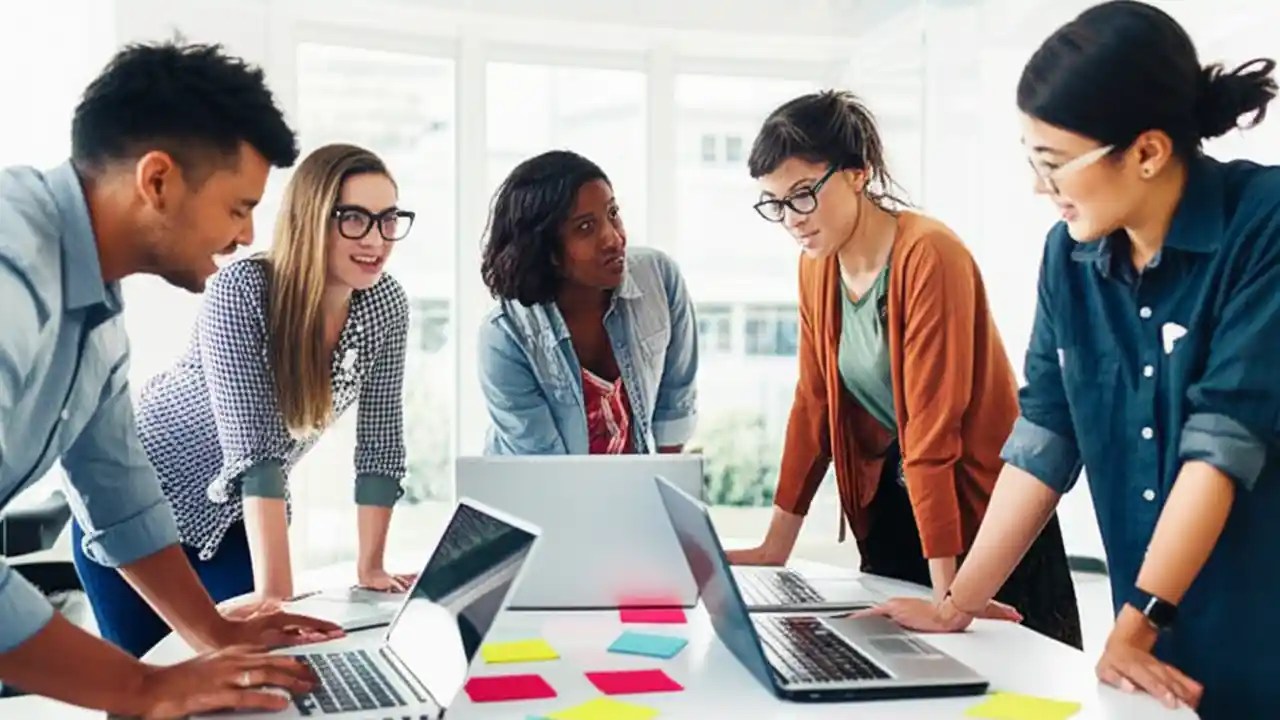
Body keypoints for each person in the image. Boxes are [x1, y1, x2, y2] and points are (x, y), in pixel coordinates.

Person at [856, 2, 1279, 717]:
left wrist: (1139, 620)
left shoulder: (1263, 224)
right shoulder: (1071, 255)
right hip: (1144, 642)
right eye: (1030, 160)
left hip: (1251, 622)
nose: (1037, 186)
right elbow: (1045, 437)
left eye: (1052, 164)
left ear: (1147, 152)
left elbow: (1223, 443)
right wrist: (957, 603)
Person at [0, 41, 344, 718]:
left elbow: (120, 496)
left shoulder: (95, 304)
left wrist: (217, 637)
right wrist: (144, 687)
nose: (247, 236)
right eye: (238, 206)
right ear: (157, 180)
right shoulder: (13, 266)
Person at [726, 90, 1082, 648]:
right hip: (900, 502)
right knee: (890, 675)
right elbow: (813, 404)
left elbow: (932, 428)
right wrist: (776, 547)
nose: (790, 220)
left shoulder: (928, 255)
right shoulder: (817, 265)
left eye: (802, 196)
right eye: (774, 203)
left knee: (1002, 683)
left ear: (856, 176)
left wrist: (950, 599)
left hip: (979, 511)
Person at [71, 143, 419, 658]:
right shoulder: (243, 288)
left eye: (389, 219)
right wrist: (276, 593)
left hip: (228, 515)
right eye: (354, 219)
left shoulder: (385, 304)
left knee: (250, 665)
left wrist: (372, 568)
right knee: (153, 686)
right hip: (137, 504)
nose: (376, 239)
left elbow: (381, 444)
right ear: (312, 220)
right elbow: (256, 456)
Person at [477, 150, 698, 455]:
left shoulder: (660, 278)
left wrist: (658, 494)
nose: (613, 238)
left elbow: (674, 407)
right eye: (585, 227)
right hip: (533, 496)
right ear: (546, 250)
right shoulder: (505, 336)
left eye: (612, 213)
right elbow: (542, 469)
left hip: (631, 488)